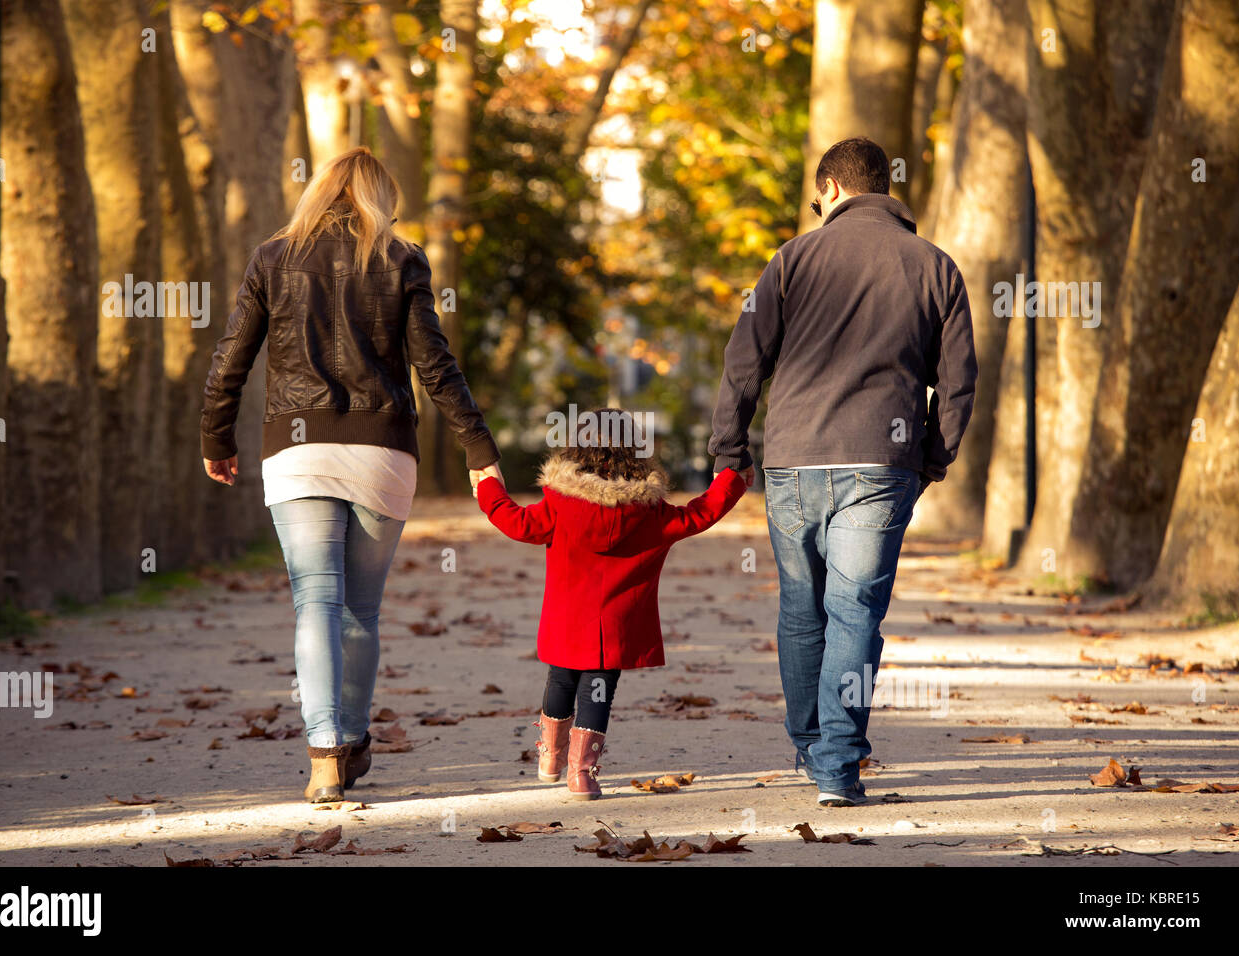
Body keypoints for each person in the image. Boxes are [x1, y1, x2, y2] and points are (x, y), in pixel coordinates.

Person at [200, 146, 502, 803]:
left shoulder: (273, 257)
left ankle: (324, 754)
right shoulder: (399, 258)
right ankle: (355, 739)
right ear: (380, 198)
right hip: (380, 451)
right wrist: (480, 450)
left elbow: (231, 357)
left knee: (316, 600)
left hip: (297, 449)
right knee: (360, 609)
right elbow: (435, 364)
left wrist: (215, 437)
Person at [708, 137, 977, 807]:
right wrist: (933, 453)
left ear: (829, 188)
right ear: (885, 189)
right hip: (880, 459)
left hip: (794, 457)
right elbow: (960, 379)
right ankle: (836, 765)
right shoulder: (935, 265)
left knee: (801, 610)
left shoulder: (789, 261)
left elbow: (745, 360)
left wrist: (728, 451)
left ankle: (809, 746)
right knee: (854, 613)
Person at [474, 409, 746, 799]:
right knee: (598, 690)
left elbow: (514, 521)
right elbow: (700, 514)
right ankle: (581, 774)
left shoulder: (558, 505)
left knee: (561, 680)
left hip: (566, 623)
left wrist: (487, 486)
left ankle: (551, 757)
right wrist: (731, 480)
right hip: (616, 629)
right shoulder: (651, 512)